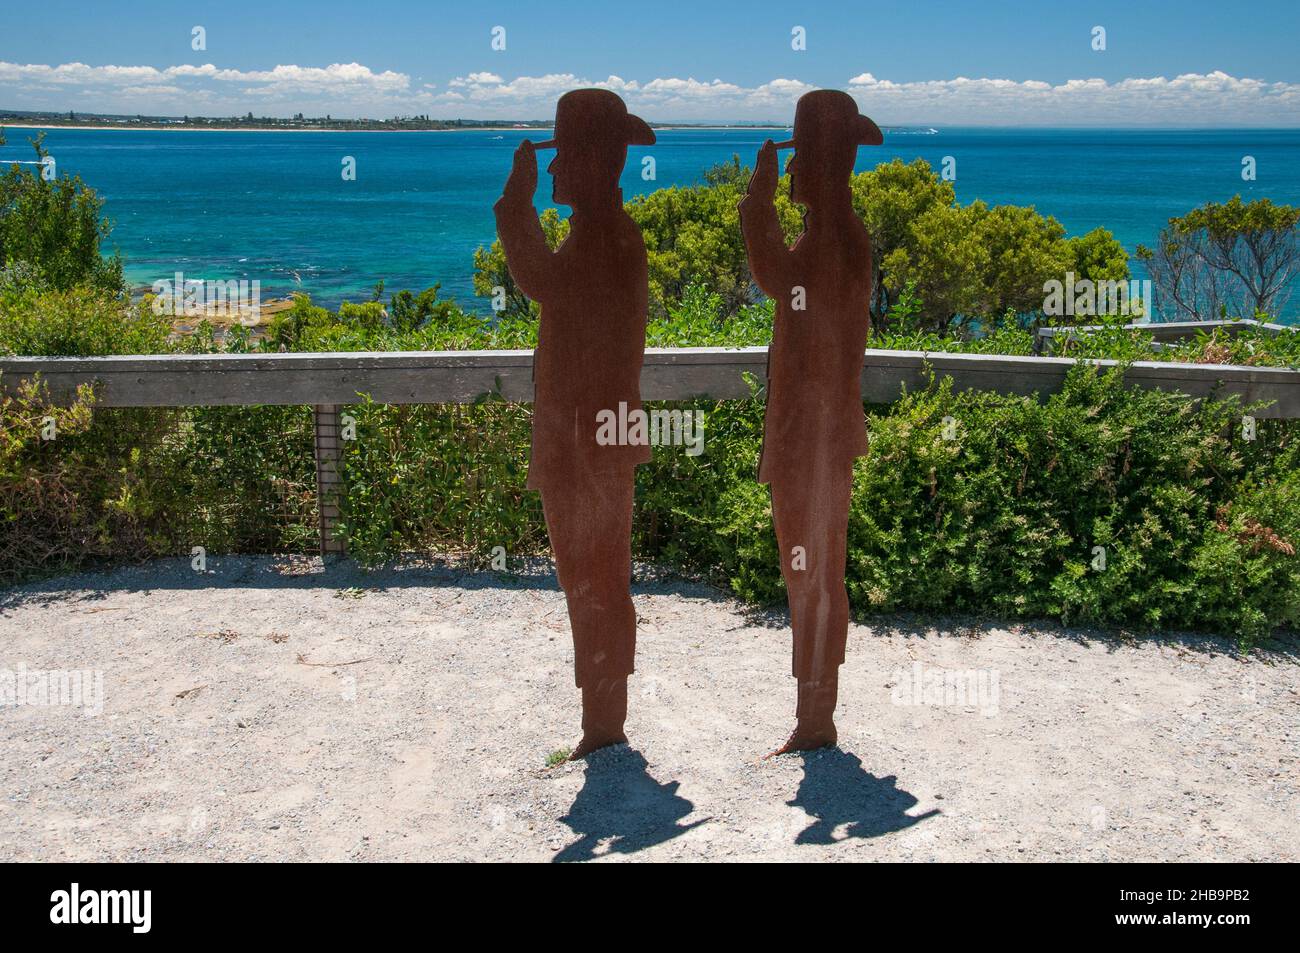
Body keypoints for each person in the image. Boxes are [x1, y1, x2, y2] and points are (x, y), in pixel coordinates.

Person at [494, 89, 656, 759]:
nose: (553, 171)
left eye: (562, 158)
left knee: (590, 576)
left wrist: (514, 202)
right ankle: (604, 714)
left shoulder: (601, 238)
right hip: (601, 436)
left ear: (594, 161)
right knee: (598, 575)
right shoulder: (606, 233)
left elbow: (539, 281)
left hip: (587, 441)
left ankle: (603, 720)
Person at [739, 90, 883, 754]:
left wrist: (757, 202)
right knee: (813, 569)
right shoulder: (838, 235)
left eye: (799, 157)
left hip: (814, 439)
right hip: (815, 436)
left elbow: (775, 277)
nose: (790, 170)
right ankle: (813, 709)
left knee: (813, 571)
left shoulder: (832, 240)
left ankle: (816, 714)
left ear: (823, 163)